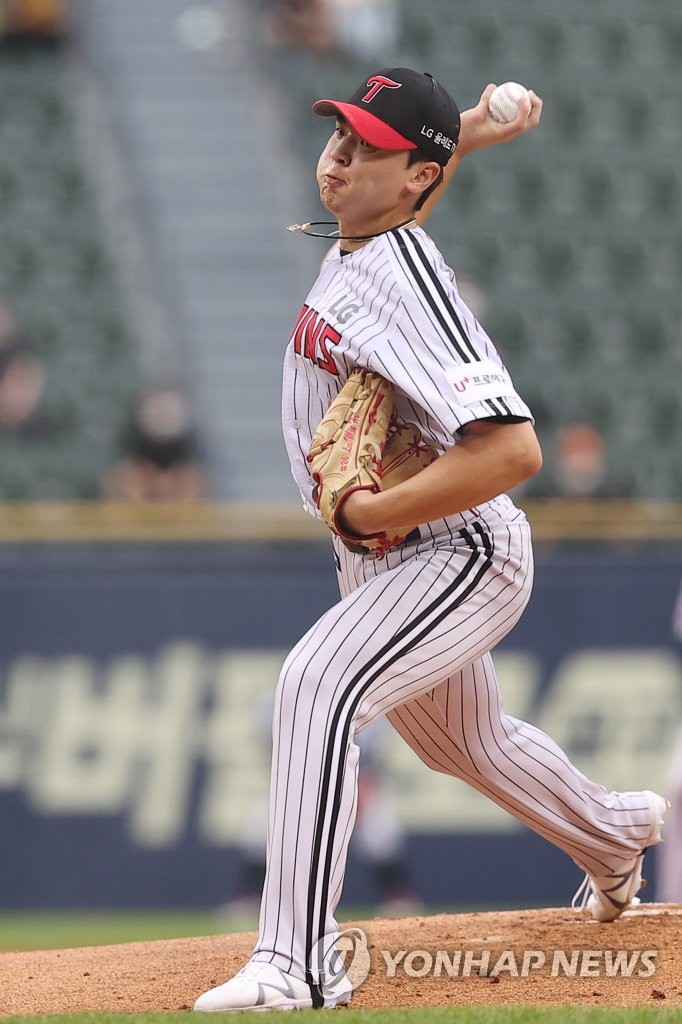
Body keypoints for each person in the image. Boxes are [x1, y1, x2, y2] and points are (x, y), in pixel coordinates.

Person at [194, 68, 668, 1013]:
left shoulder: (405, 277)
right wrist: (474, 128)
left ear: (413, 176)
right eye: (341, 136)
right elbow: (412, 173)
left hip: (456, 551)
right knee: (467, 745)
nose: (340, 159)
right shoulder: (370, 226)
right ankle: (615, 833)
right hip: (391, 558)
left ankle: (295, 963)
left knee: (315, 686)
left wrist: (370, 513)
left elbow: (514, 450)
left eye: (369, 147)